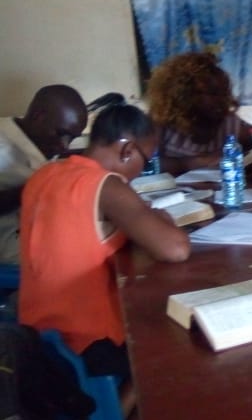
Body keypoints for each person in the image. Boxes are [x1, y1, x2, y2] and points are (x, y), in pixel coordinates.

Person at [19, 103, 190, 379]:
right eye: (145, 162)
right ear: (127, 150)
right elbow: (175, 249)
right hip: (87, 340)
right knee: (178, 346)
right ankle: (120, 419)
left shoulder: (45, 174)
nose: (141, 171)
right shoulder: (106, 185)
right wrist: (162, 220)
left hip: (36, 333)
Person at [0, 85, 88, 264]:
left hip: (35, 234)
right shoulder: (3, 150)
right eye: (62, 134)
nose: (65, 145)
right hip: (11, 250)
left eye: (71, 138)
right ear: (38, 117)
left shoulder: (35, 140)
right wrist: (34, 188)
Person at [146, 52, 252, 175]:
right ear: (186, 94)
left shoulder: (231, 124)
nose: (221, 100)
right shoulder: (160, 119)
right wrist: (194, 163)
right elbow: (148, 165)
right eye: (212, 93)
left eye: (223, 93)